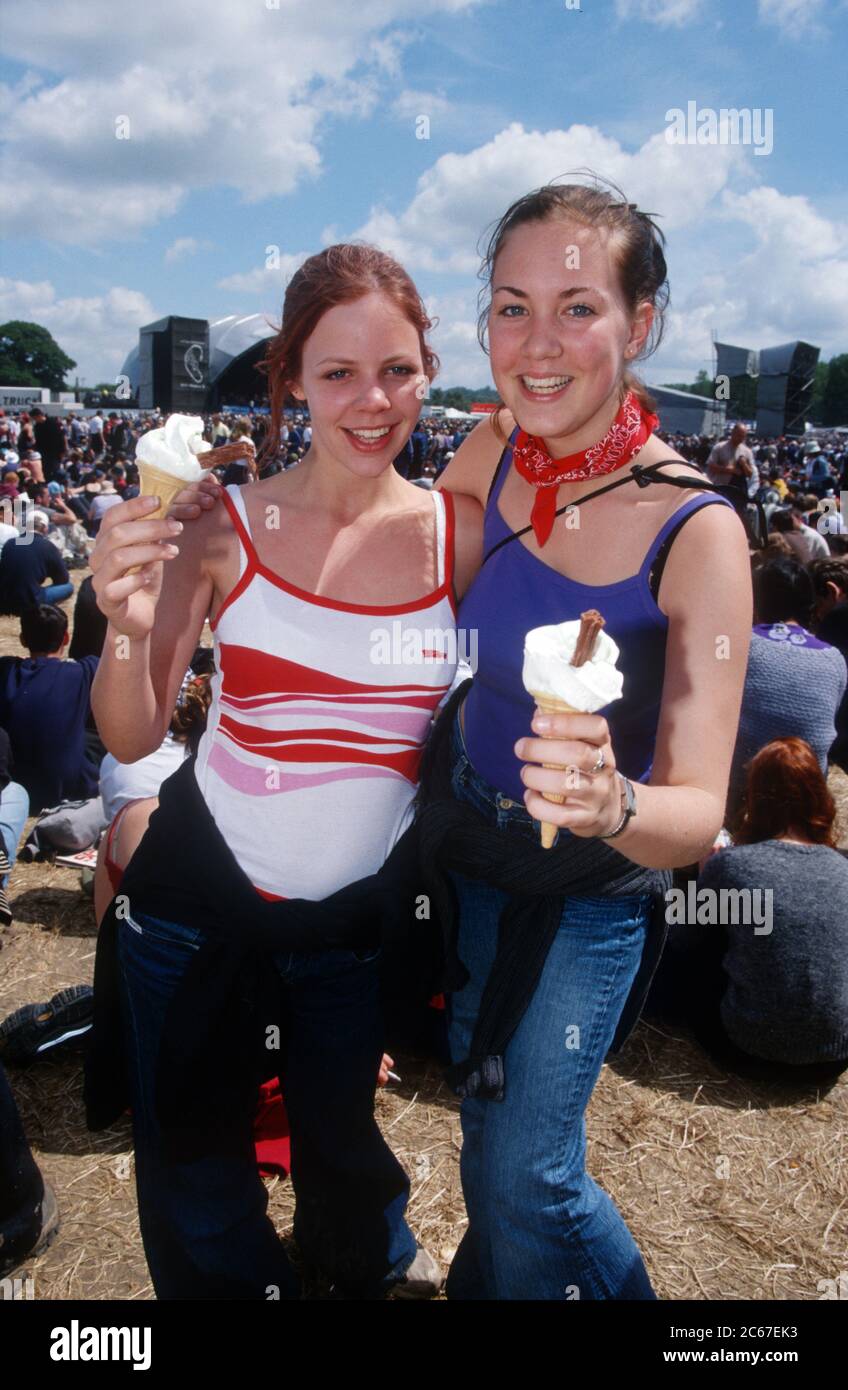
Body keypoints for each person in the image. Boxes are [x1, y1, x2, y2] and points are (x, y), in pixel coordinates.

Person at [86, 243, 481, 1301]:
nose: (371, 401)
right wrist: (123, 624)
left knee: (340, 1133)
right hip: (193, 910)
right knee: (196, 1168)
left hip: (353, 925)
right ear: (292, 379)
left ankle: (366, 1263)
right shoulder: (221, 526)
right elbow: (129, 734)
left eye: (396, 370)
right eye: (337, 372)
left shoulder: (459, 535)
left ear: (428, 373)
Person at [415, 177, 751, 1301]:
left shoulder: (697, 531)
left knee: (528, 1173)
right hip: (468, 846)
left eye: (576, 307)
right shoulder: (488, 452)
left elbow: (696, 813)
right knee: (485, 1122)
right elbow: (398, 598)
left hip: (588, 891)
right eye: (511, 307)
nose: (538, 342)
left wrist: (613, 801)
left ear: (637, 324)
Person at [645, 739, 848, 1082]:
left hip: (743, 1048)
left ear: (756, 799)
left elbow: (682, 938)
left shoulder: (737, 866)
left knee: (707, 932)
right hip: (833, 1059)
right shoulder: (842, 868)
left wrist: (705, 876)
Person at [725, 556, 846, 826]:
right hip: (808, 796)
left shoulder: (740, 645)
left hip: (742, 792)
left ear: (757, 600)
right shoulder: (834, 659)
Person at [0, 604, 100, 813]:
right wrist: (125, 632)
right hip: (69, 792)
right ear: (66, 638)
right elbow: (123, 658)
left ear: (22, 639)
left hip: (15, 785)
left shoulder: (5, 669)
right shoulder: (83, 672)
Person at [0, 512, 73, 615]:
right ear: (44, 528)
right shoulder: (48, 546)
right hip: (30, 602)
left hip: (5, 600)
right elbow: (63, 579)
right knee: (68, 587)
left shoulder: (10, 543)